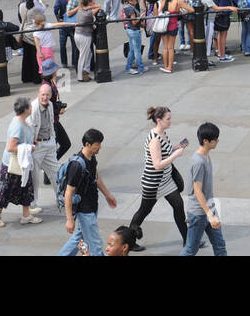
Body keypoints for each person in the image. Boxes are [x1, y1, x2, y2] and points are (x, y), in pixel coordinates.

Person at [128, 105, 190, 251]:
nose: (170, 121)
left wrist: (177, 147)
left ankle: (188, 241)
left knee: (179, 207)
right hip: (153, 183)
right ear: (158, 120)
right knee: (144, 211)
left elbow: (165, 152)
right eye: (168, 119)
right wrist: (176, 155)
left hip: (166, 181)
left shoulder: (162, 134)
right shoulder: (154, 139)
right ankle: (129, 241)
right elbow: (157, 164)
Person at [59, 128, 117, 256]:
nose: (100, 147)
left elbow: (95, 176)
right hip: (85, 210)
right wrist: (69, 219)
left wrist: (107, 195)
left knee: (78, 238)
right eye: (97, 145)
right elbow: (68, 193)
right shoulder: (77, 166)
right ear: (87, 144)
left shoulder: (91, 158)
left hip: (92, 205)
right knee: (95, 244)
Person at [0, 97, 42, 227]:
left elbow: (21, 141)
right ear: (25, 110)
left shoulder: (22, 121)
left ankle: (26, 215)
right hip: (12, 165)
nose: (31, 108)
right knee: (5, 189)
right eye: (30, 106)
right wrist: (29, 148)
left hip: (22, 163)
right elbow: (11, 147)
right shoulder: (18, 125)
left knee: (26, 188)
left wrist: (30, 143)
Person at [181, 121, 227, 256]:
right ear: (206, 141)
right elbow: (197, 190)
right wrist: (210, 214)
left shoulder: (206, 155)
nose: (217, 141)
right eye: (215, 139)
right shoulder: (198, 162)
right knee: (190, 250)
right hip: (198, 213)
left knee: (220, 246)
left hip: (209, 208)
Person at [26, 82, 63, 206]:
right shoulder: (33, 108)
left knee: (56, 172)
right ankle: (32, 204)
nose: (45, 97)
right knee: (35, 177)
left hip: (49, 144)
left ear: (51, 95)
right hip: (38, 146)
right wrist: (31, 144)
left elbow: (52, 123)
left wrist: (53, 140)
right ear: (38, 94)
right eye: (42, 95)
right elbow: (28, 126)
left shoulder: (51, 105)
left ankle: (61, 198)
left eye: (47, 95)